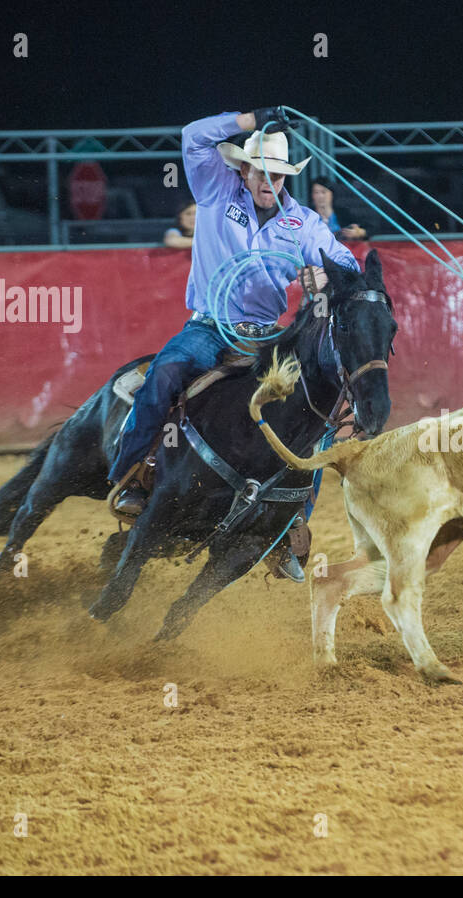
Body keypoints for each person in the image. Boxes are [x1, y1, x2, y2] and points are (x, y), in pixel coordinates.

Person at [108, 106, 360, 580]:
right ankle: (134, 474)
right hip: (209, 324)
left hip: (266, 334)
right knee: (164, 374)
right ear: (242, 169)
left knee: (317, 412)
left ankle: (290, 522)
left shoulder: (302, 223)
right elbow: (192, 135)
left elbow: (345, 262)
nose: (271, 180)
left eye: (280, 173)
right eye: (261, 170)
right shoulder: (214, 189)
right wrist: (249, 120)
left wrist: (323, 271)